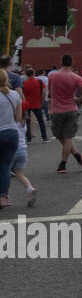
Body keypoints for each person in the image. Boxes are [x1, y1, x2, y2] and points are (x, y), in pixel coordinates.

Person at [48, 54, 82, 175]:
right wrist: (79, 99)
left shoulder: (52, 76)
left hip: (56, 110)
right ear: (72, 63)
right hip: (71, 109)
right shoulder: (75, 77)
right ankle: (77, 157)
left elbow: (50, 93)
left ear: (61, 62)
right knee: (68, 138)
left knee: (60, 137)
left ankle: (63, 163)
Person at [0, 71, 24, 210]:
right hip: (11, 133)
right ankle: (3, 197)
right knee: (4, 167)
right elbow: (19, 118)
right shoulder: (14, 95)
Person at [21, 67, 48, 143]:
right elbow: (44, 92)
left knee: (27, 122)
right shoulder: (39, 82)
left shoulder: (24, 83)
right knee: (41, 121)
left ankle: (29, 139)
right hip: (37, 104)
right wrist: (41, 100)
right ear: (34, 73)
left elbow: (23, 94)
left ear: (26, 74)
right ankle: (44, 138)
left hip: (27, 104)